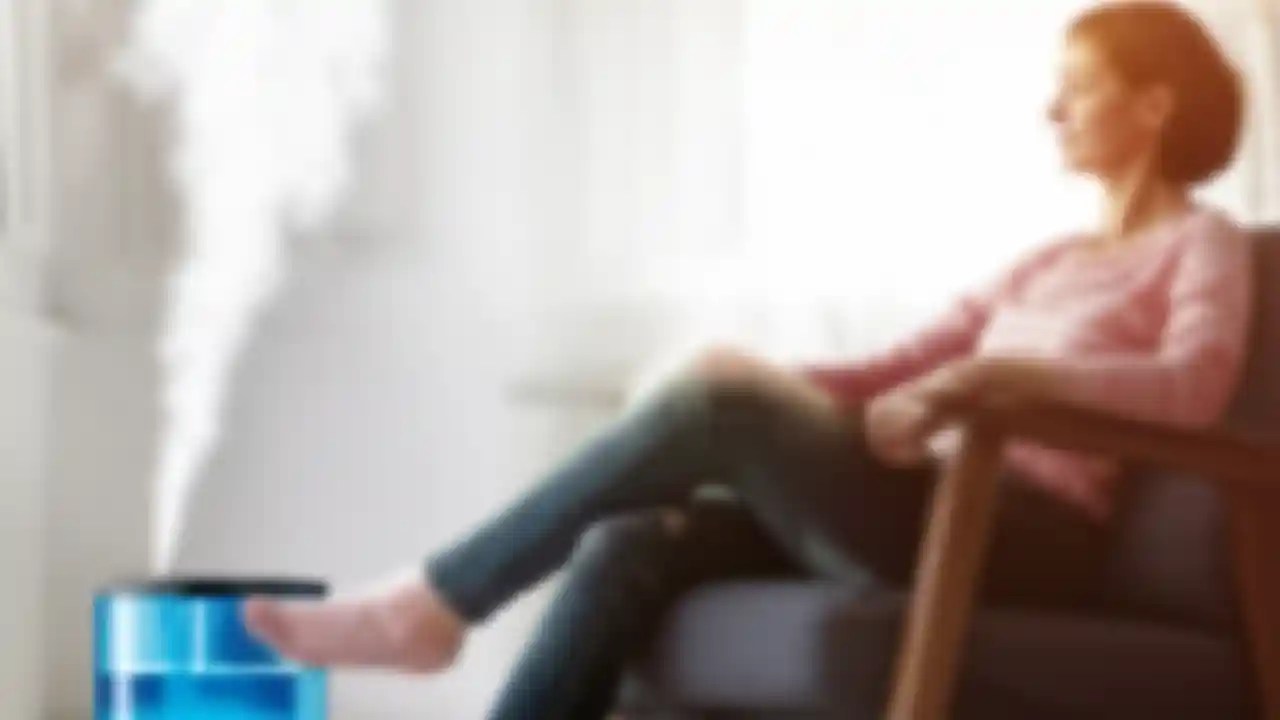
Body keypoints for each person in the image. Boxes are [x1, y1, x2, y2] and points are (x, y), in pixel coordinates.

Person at [242, 2, 1254, 717]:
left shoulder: (1201, 243)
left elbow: (1193, 386)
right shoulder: (1048, 259)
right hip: (942, 497)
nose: (1051, 111)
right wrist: (746, 380)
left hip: (1023, 533)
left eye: (1073, 90)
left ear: (1154, 106)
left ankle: (428, 607)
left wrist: (1005, 382)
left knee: (716, 416)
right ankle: (453, 637)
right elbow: (893, 365)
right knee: (630, 540)